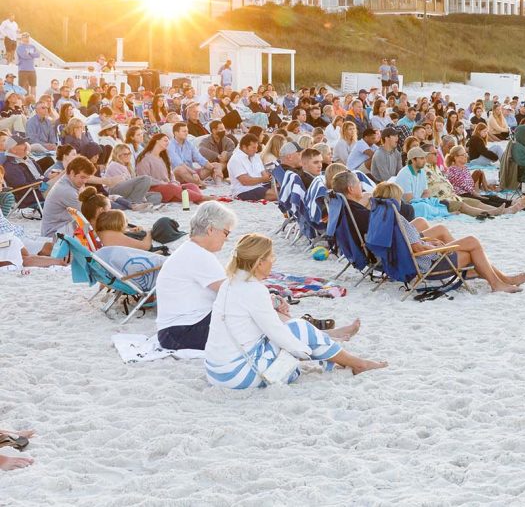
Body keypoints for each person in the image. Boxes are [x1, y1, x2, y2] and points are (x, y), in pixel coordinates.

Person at [204, 233, 383, 388]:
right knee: (300, 328)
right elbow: (276, 331)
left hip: (216, 372)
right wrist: (305, 350)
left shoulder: (230, 283)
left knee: (296, 334)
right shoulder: (254, 289)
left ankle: (335, 357)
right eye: (271, 258)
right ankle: (358, 363)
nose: (272, 262)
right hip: (239, 376)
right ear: (259, 262)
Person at [337, 174, 525, 293]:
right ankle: (496, 282)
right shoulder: (396, 220)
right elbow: (417, 248)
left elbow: (412, 245)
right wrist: (436, 246)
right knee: (472, 243)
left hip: (412, 259)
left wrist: (429, 243)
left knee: (465, 247)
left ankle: (499, 279)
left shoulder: (384, 218)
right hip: (426, 265)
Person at [156, 203, 237, 351]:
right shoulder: (198, 255)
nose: (227, 239)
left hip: (175, 330)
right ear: (211, 229)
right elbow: (232, 292)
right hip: (181, 333)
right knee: (244, 318)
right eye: (226, 232)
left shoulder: (191, 250)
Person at [136, 134, 206, 204]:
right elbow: (144, 179)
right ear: (157, 141)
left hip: (169, 187)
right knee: (172, 188)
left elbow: (171, 174)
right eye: (165, 140)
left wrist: (174, 182)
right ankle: (204, 198)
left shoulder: (164, 157)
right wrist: (164, 184)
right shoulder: (144, 158)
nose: (168, 143)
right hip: (153, 189)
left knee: (191, 185)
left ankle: (200, 199)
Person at [227, 134, 276, 201]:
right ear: (244, 147)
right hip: (244, 190)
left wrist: (270, 177)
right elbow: (245, 181)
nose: (256, 150)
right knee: (275, 194)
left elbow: (264, 175)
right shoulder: (235, 159)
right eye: (253, 148)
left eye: (257, 147)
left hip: (259, 185)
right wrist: (264, 179)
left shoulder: (256, 156)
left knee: (283, 188)